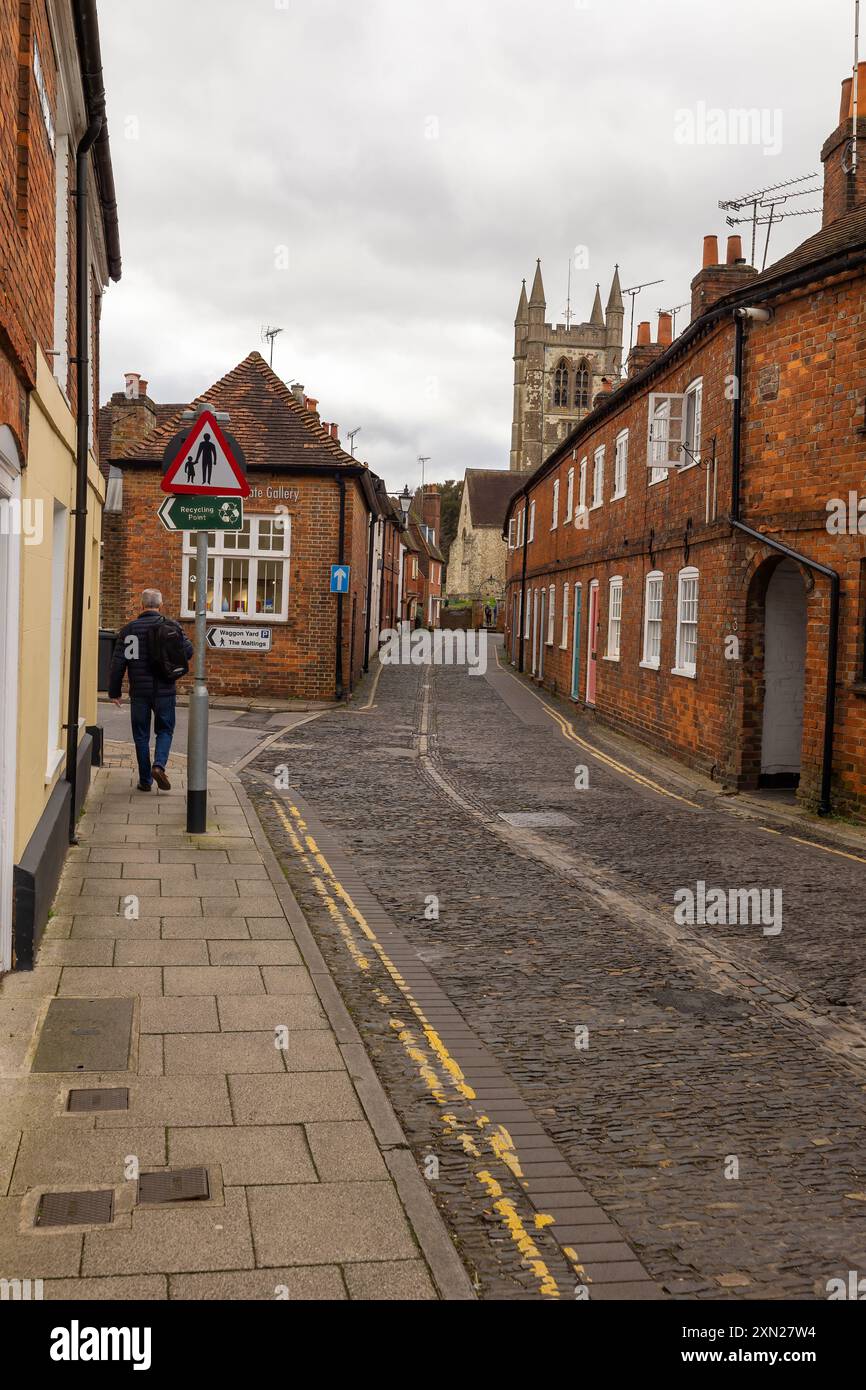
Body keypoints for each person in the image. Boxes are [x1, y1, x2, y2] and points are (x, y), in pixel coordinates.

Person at [108, 589, 193, 792]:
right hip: (165, 689)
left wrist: (115, 692)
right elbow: (188, 651)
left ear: (141, 605)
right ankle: (159, 765)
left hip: (139, 692)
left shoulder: (129, 631)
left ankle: (145, 780)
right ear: (160, 605)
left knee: (141, 736)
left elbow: (118, 663)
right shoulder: (172, 626)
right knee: (165, 730)